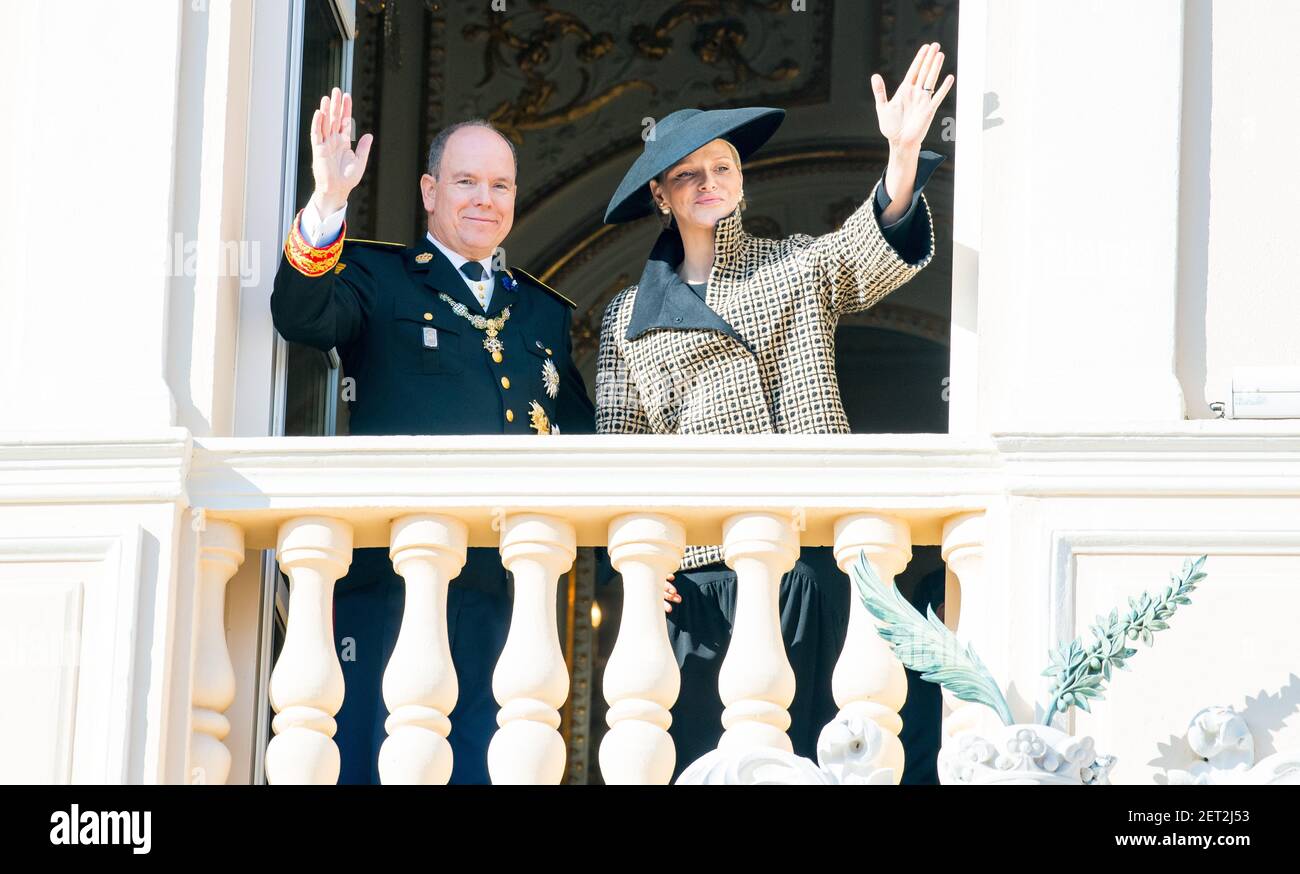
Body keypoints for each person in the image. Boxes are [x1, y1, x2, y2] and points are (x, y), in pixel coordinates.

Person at [595, 43, 953, 778]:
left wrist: (903, 153)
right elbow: (618, 456)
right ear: (660, 195)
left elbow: (867, 249)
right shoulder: (627, 316)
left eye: (723, 167)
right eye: (689, 174)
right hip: (696, 580)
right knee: (704, 763)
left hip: (807, 565)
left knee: (817, 760)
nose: (710, 182)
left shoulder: (796, 264)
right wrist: (631, 563)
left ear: (742, 182)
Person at [271, 88, 599, 783]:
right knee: (378, 766)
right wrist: (328, 201)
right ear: (429, 190)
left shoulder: (539, 311)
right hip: (391, 585)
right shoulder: (380, 278)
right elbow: (301, 315)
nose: (485, 198)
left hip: (504, 597)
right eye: (466, 181)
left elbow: (584, 441)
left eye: (500, 185)